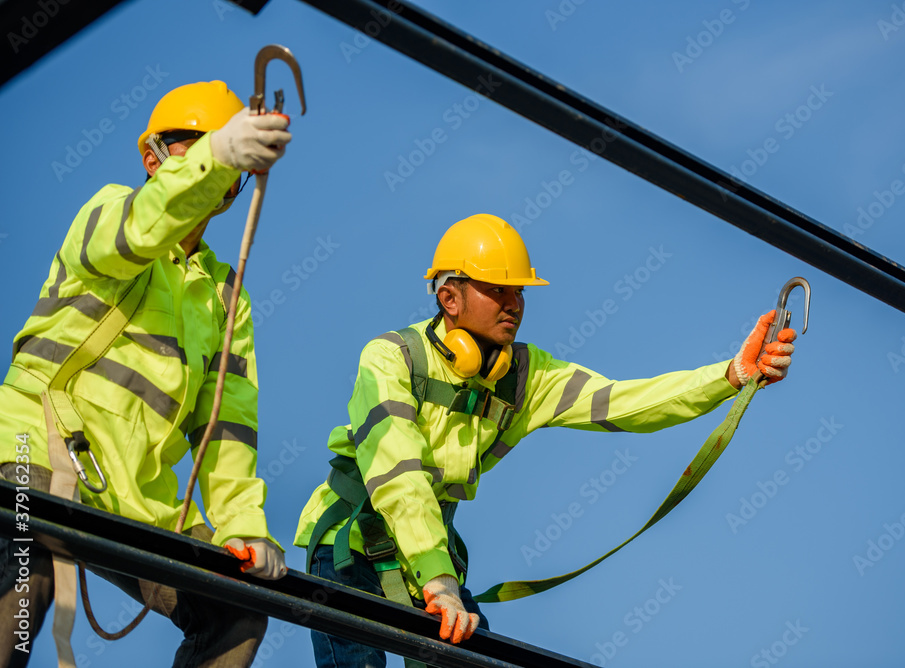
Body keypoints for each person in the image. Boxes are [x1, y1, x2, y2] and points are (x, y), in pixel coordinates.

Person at [294, 213, 798, 666]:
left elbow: (624, 403)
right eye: (498, 290)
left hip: (428, 562)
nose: (514, 304)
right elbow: (398, 472)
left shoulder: (525, 377)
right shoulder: (390, 357)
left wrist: (730, 375)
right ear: (449, 297)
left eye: (520, 292)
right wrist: (440, 581)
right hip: (350, 549)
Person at [0, 80, 292, 668]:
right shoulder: (110, 212)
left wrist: (243, 528)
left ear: (235, 188)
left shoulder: (225, 298)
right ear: (151, 157)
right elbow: (145, 227)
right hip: (31, 445)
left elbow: (225, 432)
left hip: (131, 499)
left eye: (219, 148)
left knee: (236, 605)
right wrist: (220, 154)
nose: (208, 157)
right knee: (32, 558)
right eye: (193, 144)